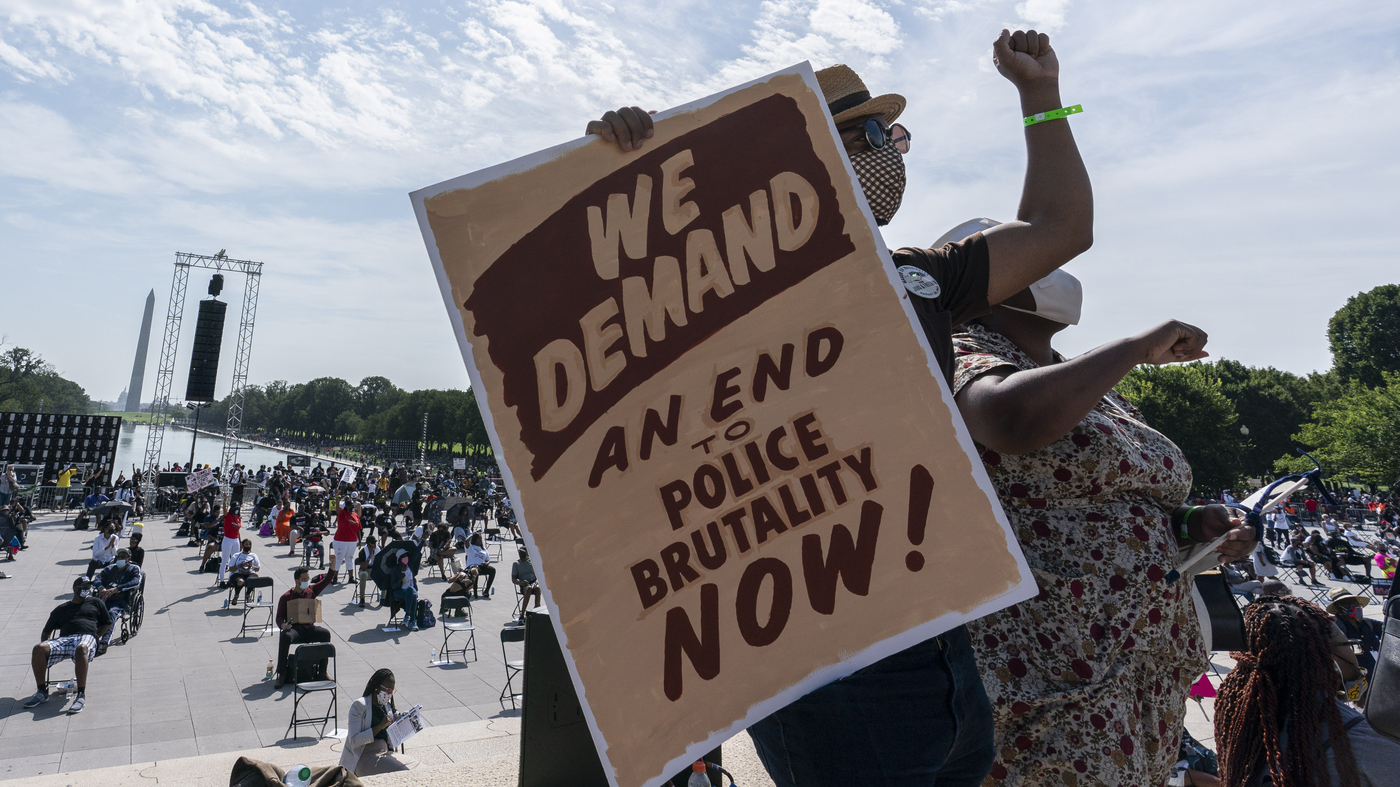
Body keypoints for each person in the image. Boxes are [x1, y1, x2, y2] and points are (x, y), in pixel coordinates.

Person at [589, 30, 1101, 782]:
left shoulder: (920, 277)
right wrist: (619, 172)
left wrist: (1042, 99)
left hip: (943, 645)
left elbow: (1063, 230)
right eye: (869, 132)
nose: (890, 150)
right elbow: (613, 320)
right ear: (805, 156)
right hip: (828, 669)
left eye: (891, 134)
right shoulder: (722, 303)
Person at [949, 268, 1254, 785]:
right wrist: (1131, 349)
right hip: (1055, 660)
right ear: (986, 288)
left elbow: (1111, 500)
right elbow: (1010, 419)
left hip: (1141, 660)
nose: (1056, 270)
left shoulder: (1078, 377)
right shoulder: (959, 350)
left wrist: (1192, 523)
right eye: (1036, 258)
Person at [1215, 596, 1400, 786]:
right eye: (1348, 645)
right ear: (1326, 658)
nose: (1353, 654)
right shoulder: (1368, 741)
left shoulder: (1237, 719)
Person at [23, 576, 109, 713]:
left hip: (87, 636)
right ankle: (41, 691)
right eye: (84, 587)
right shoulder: (61, 609)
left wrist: (96, 637)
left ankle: (81, 695)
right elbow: (46, 631)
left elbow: (107, 623)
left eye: (88, 587)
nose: (87, 590)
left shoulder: (95, 602)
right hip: (66, 639)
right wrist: (45, 647)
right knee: (38, 648)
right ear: (75, 589)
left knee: (81, 648)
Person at [342, 668, 414, 776]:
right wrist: (380, 726)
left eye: (392, 691)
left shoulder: (387, 705)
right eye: (387, 690)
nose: (389, 694)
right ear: (377, 687)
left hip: (385, 752)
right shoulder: (359, 706)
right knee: (404, 772)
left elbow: (393, 728)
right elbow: (354, 741)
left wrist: (401, 721)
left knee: (416, 767)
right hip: (363, 756)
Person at [274, 567, 336, 687]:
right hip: (295, 630)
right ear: (297, 581)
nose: (306, 582)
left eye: (307, 579)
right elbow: (279, 618)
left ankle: (322, 671)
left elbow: (326, 581)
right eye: (303, 579)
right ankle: (282, 674)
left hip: (309, 628)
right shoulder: (286, 597)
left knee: (325, 634)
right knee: (285, 636)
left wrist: (332, 566)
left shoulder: (311, 591)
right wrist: (283, 625)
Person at [94, 548, 143, 650]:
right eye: (119, 556)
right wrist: (101, 588)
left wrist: (117, 589)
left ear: (128, 559)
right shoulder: (110, 568)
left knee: (111, 614)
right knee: (93, 613)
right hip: (105, 597)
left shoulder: (134, 568)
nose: (120, 558)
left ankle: (104, 641)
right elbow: (98, 578)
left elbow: (136, 581)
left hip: (121, 600)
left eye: (123, 557)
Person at [1327, 586, 1383, 674]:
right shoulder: (1337, 628)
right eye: (1347, 604)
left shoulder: (1367, 623)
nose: (1353, 606)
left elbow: (1388, 629)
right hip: (1358, 675)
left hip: (1380, 669)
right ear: (1339, 608)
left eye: (1354, 603)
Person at [510, 547, 541, 626]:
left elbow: (537, 575)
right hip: (524, 584)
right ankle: (522, 614)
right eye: (520, 553)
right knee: (529, 589)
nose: (521, 555)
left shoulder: (532, 562)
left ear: (527, 554)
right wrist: (521, 582)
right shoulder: (516, 564)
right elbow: (513, 579)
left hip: (533, 581)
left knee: (537, 589)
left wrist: (536, 582)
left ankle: (536, 610)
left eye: (523, 553)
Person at [226, 539, 262, 603]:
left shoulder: (253, 555)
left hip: (250, 573)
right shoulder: (236, 555)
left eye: (249, 545)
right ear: (242, 546)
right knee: (240, 581)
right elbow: (231, 569)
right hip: (238, 573)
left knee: (253, 580)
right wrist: (239, 565)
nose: (248, 546)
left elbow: (258, 568)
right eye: (246, 544)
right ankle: (236, 595)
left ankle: (248, 595)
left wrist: (252, 566)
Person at [332, 501, 362, 579]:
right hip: (340, 540)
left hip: (352, 540)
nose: (353, 507)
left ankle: (351, 577)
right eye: (351, 505)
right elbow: (337, 506)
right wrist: (337, 496)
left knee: (350, 558)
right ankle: (335, 577)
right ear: (347, 506)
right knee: (339, 558)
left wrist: (360, 540)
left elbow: (358, 529)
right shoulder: (342, 513)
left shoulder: (355, 515)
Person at [215, 503, 243, 585]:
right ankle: (222, 580)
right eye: (235, 508)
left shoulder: (238, 518)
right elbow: (224, 510)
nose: (237, 510)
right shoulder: (228, 516)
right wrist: (224, 500)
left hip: (236, 539)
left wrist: (240, 541)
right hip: (228, 539)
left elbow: (238, 530)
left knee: (234, 561)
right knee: (225, 560)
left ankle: (231, 579)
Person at [390, 553, 419, 631]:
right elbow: (393, 586)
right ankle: (412, 620)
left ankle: (407, 615)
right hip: (399, 592)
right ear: (399, 559)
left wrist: (422, 541)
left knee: (412, 591)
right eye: (403, 557)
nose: (406, 558)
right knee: (412, 593)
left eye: (406, 556)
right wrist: (400, 580)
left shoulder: (409, 567)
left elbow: (417, 552)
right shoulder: (396, 570)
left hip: (410, 591)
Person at [464, 532, 495, 598]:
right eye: (478, 539)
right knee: (475, 571)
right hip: (472, 566)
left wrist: (486, 563)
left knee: (493, 570)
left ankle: (486, 591)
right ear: (474, 539)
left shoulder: (484, 549)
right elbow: (466, 541)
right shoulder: (470, 547)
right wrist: (472, 535)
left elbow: (488, 559)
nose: (480, 540)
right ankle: (475, 591)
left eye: (481, 539)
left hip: (482, 566)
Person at [356, 535, 380, 606]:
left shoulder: (378, 549)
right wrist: (369, 556)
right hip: (366, 570)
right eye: (373, 543)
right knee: (363, 574)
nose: (375, 545)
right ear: (369, 545)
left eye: (375, 543)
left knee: (386, 574)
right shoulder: (363, 552)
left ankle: (384, 598)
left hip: (375, 570)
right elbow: (363, 568)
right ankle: (362, 598)